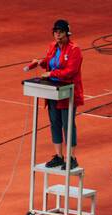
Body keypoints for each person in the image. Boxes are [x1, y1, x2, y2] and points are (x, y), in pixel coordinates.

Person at [25, 18, 85, 170]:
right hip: (52, 90)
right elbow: (49, 61)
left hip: (68, 91)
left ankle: (71, 158)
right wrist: (40, 62)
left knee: (68, 124)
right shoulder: (52, 46)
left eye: (61, 32)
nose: (58, 35)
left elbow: (70, 71)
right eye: (56, 32)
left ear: (67, 33)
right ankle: (59, 156)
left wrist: (52, 73)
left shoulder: (74, 50)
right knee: (55, 123)